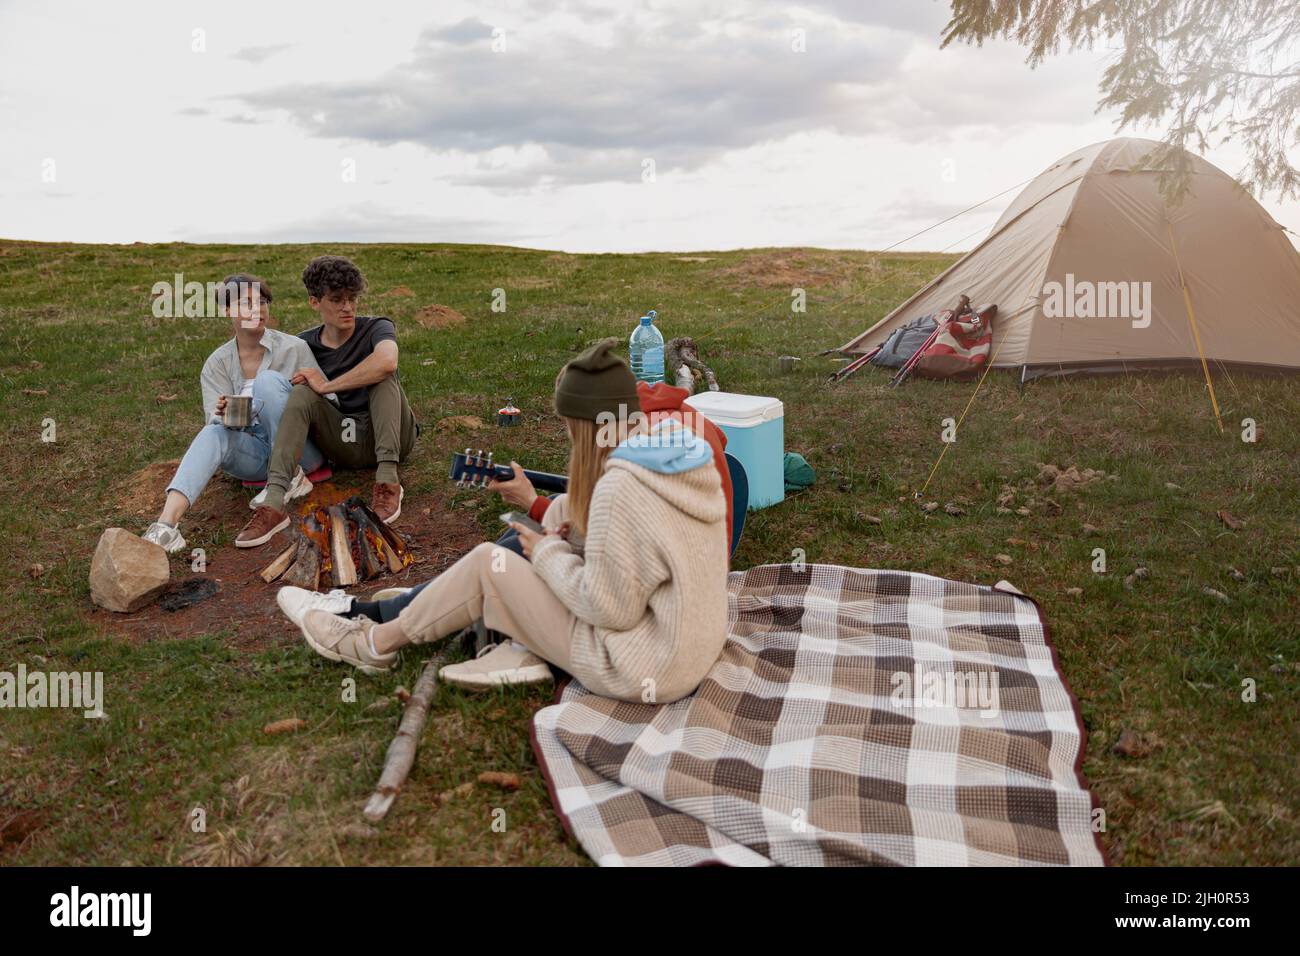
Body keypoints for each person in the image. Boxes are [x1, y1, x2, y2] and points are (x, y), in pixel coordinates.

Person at [289, 339, 730, 702]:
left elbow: (609, 610)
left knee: (490, 562)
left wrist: (549, 552)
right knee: (511, 557)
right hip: (692, 648)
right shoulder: (679, 453)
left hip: (642, 665)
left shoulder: (621, 488)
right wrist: (551, 514)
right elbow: (626, 533)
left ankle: (373, 644)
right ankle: (410, 613)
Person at [235, 256, 418, 548]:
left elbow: (387, 362)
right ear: (314, 302)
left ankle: (387, 481)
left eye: (352, 298)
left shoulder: (377, 327)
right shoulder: (303, 345)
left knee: (382, 377)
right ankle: (274, 500)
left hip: (393, 434)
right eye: (336, 300)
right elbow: (276, 396)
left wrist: (328, 385)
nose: (347, 307)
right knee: (302, 390)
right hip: (342, 443)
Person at [141, 275, 324, 554]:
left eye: (262, 302)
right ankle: (166, 527)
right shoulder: (217, 364)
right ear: (227, 310)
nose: (257, 309)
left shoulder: (294, 348)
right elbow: (217, 425)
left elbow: (326, 402)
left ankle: (289, 477)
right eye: (246, 303)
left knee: (267, 382)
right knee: (213, 432)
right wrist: (228, 415)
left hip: (301, 451)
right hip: (256, 455)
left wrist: (298, 391)